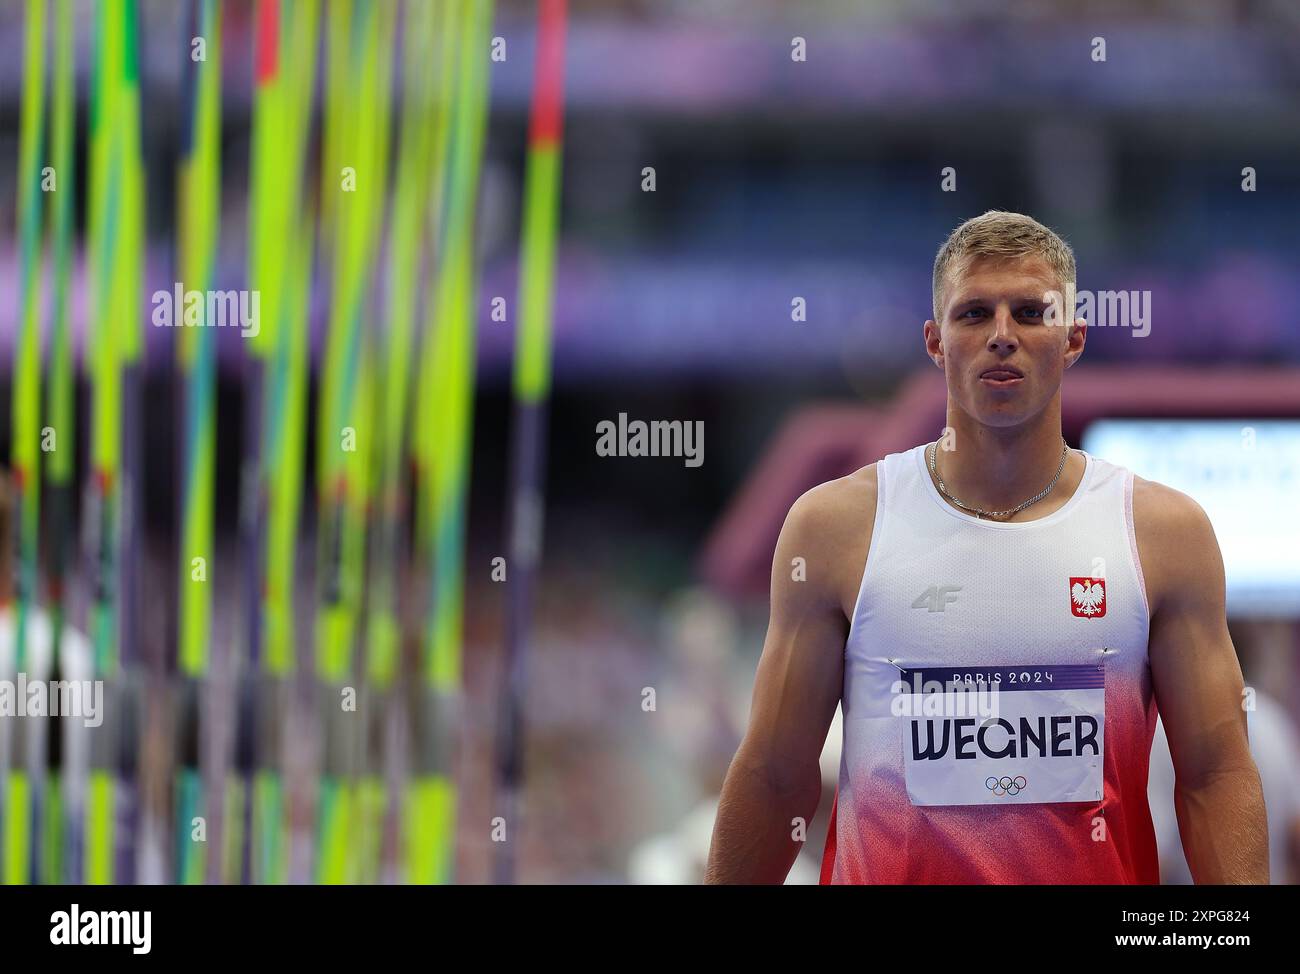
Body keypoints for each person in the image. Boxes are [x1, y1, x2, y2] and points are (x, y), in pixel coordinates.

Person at [704, 210, 1268, 884]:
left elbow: (1214, 775)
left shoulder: (1163, 534)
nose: (1002, 336)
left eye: (1030, 313)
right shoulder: (835, 528)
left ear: (1073, 338)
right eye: (974, 314)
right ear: (936, 342)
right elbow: (773, 777)